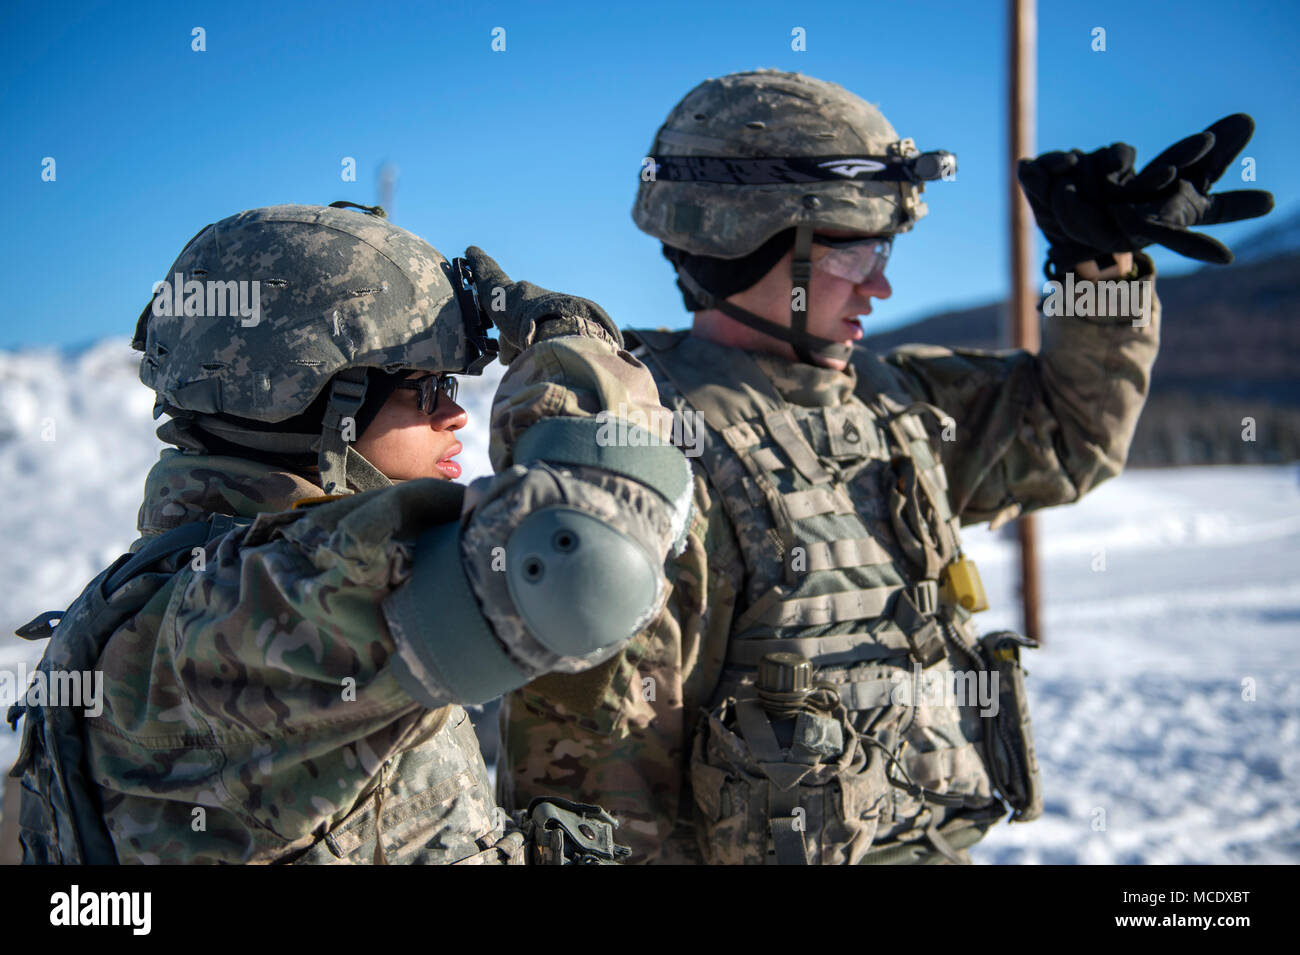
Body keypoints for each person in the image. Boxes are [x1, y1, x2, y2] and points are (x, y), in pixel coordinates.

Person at [495, 70, 1273, 864]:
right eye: (854, 249)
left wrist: (1096, 270)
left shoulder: (892, 403)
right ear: (746, 236)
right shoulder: (654, 444)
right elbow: (602, 796)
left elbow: (1069, 436)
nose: (884, 282)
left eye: (887, 248)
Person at [8, 202, 692, 864]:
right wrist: (572, 355)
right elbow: (589, 561)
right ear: (317, 405)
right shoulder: (232, 613)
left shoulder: (233, 576)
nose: (456, 414)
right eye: (425, 388)